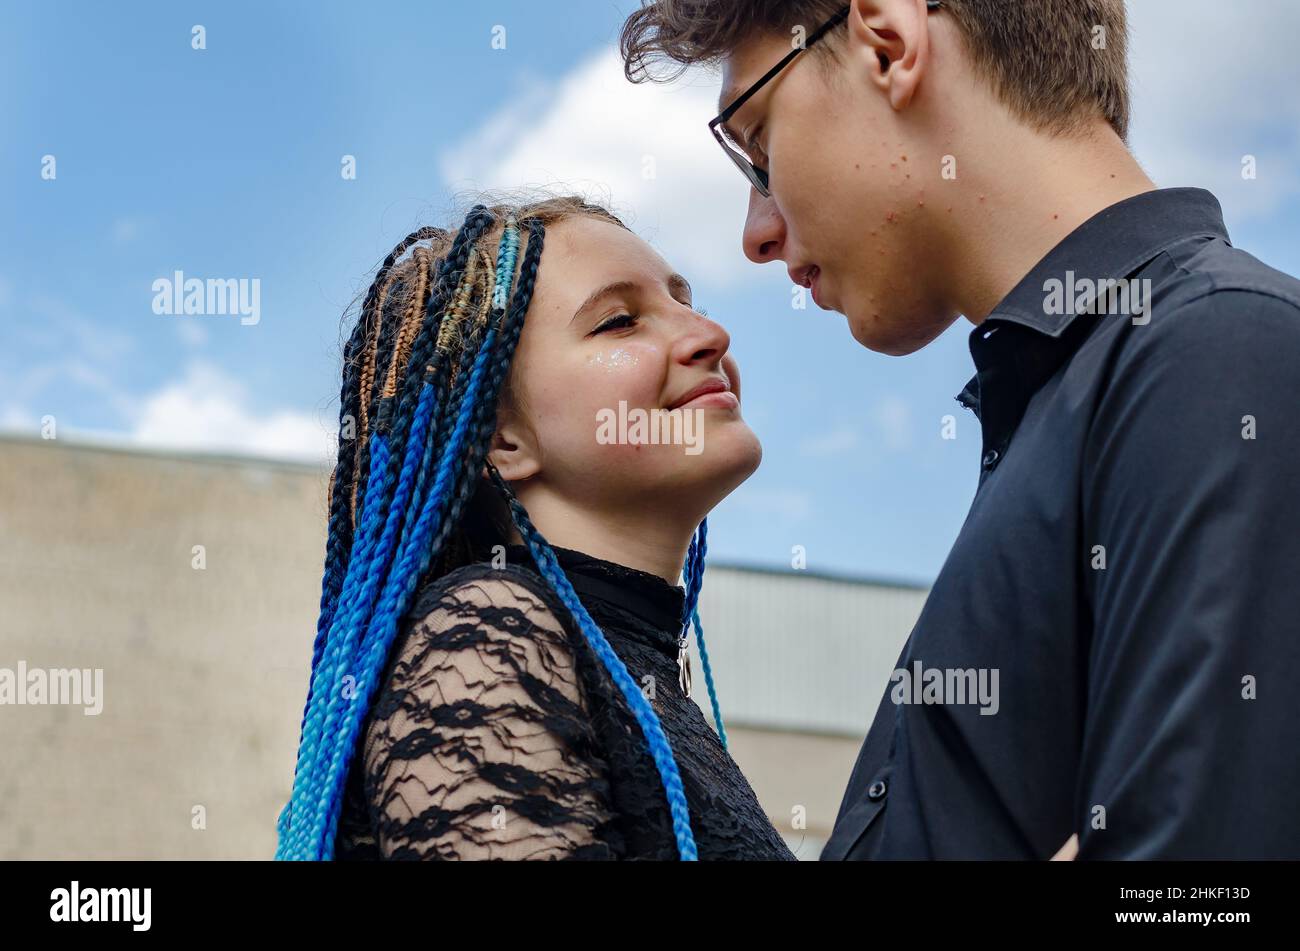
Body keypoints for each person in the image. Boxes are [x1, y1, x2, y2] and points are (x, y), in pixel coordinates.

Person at [619, 0, 1300, 858]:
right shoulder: (1093, 395)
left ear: (886, 40)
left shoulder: (1214, 352)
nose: (757, 233)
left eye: (759, 149)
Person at [274, 195, 796, 861]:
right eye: (620, 322)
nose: (709, 334)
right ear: (502, 437)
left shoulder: (644, 677)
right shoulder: (488, 630)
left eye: (686, 303)